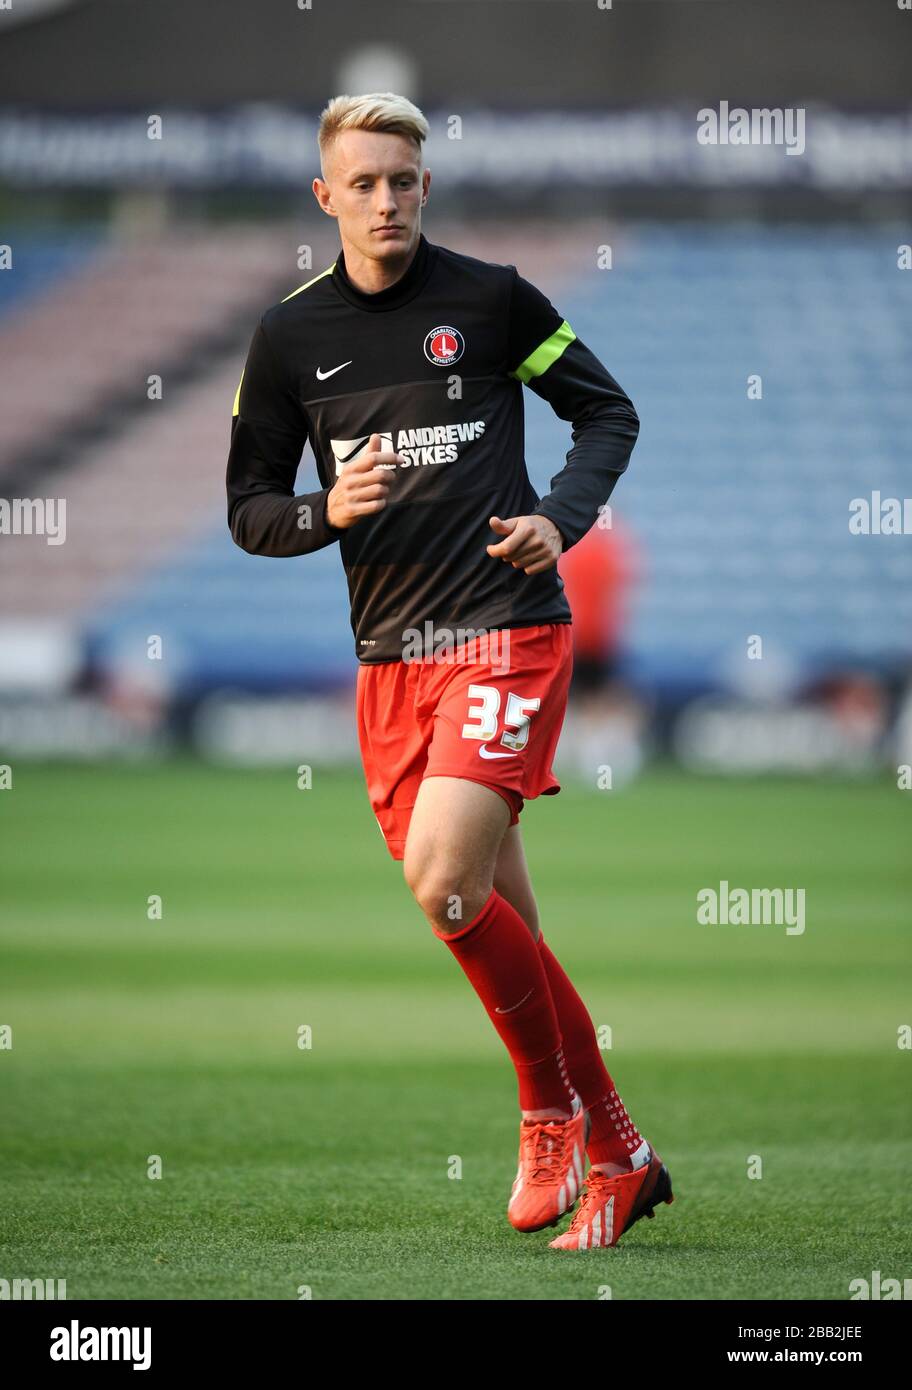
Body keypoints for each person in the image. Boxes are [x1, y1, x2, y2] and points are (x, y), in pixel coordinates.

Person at [225, 91, 673, 1250]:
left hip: (505, 626)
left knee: (442, 884)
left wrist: (558, 520)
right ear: (327, 197)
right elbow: (249, 510)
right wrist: (328, 508)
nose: (386, 199)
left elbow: (607, 414)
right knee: (485, 910)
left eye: (404, 180)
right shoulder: (287, 338)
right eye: (363, 182)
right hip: (391, 662)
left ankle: (546, 1114)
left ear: (427, 188)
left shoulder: (490, 299)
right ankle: (622, 1149)